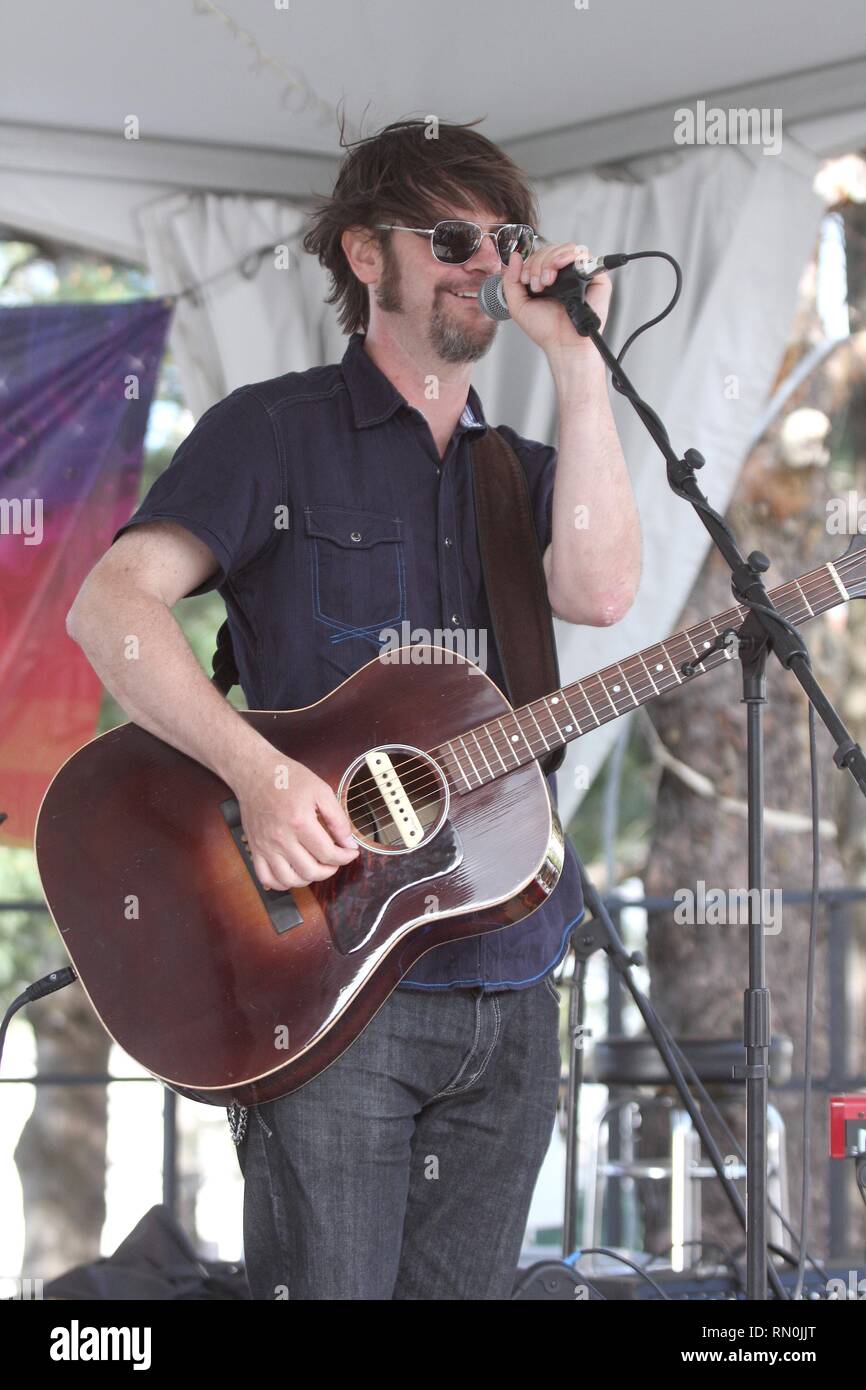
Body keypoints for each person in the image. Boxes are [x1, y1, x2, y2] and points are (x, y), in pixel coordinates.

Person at [66, 117, 641, 1299]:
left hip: (511, 969)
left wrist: (579, 359)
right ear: (364, 255)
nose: (483, 264)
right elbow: (109, 609)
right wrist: (258, 774)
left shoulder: (513, 470)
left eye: (503, 241)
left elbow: (601, 588)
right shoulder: (269, 433)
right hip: (324, 975)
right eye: (449, 238)